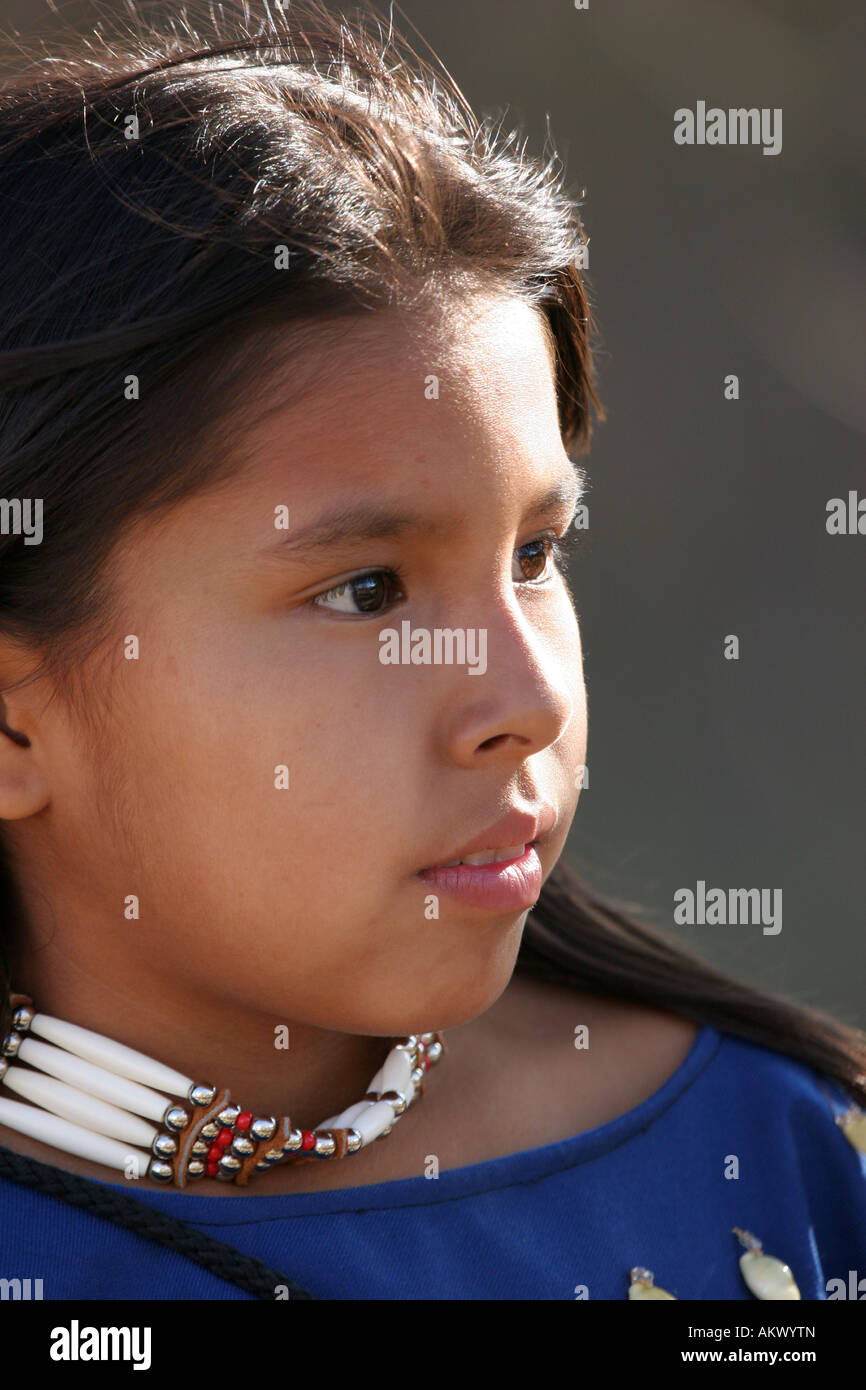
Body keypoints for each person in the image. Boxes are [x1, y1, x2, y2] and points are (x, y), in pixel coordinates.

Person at [0, 0, 862, 1302]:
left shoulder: (787, 1167)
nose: (524, 700)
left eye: (533, 554)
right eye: (364, 589)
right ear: (14, 719)